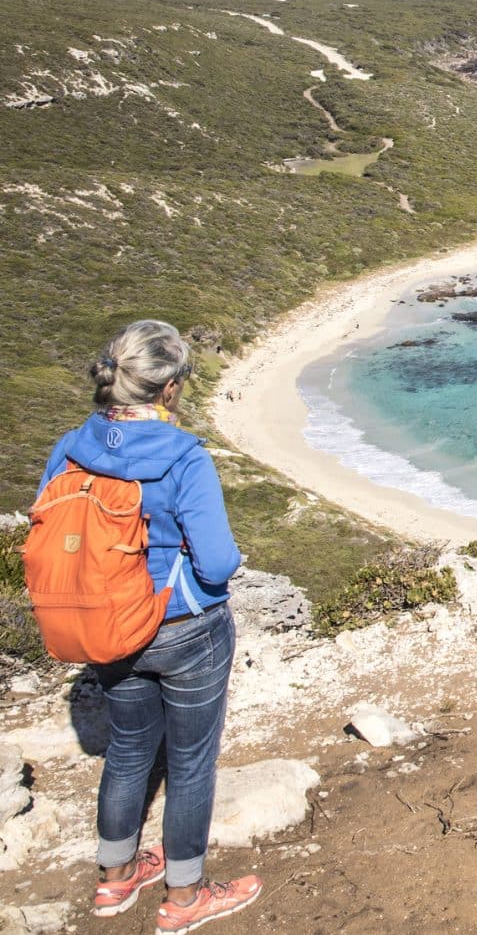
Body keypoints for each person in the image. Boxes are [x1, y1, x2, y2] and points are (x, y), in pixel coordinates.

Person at [37, 320, 262, 930]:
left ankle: (115, 878)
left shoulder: (71, 446)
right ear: (168, 389)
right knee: (190, 763)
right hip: (184, 626)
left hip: (107, 620)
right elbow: (217, 562)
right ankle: (185, 897)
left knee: (129, 749)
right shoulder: (184, 457)